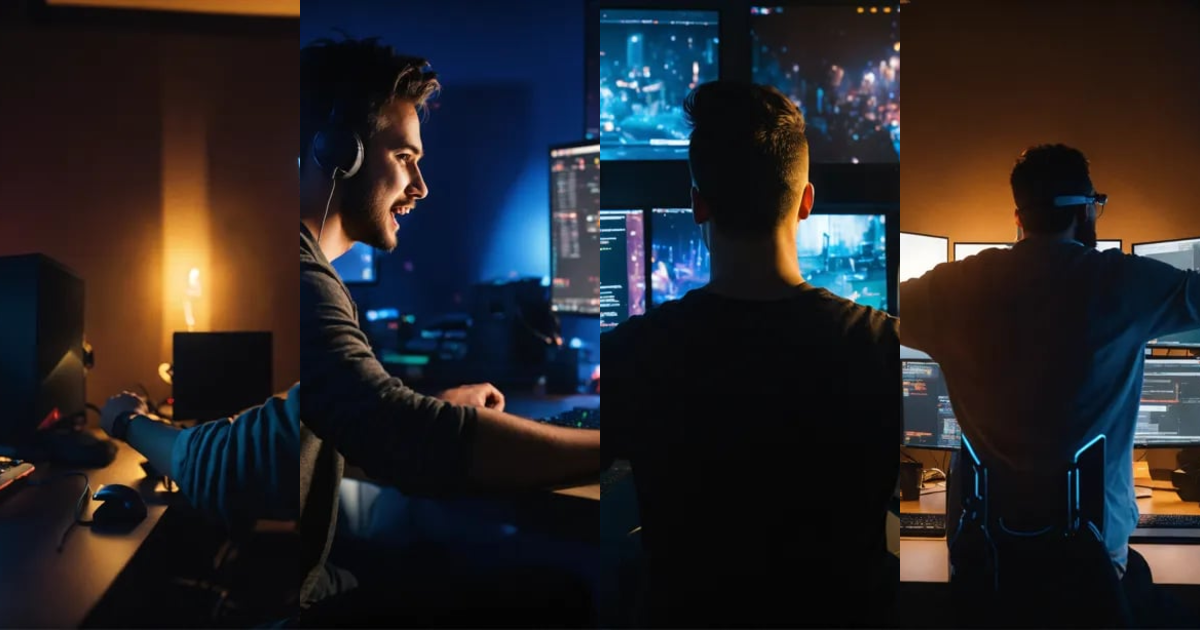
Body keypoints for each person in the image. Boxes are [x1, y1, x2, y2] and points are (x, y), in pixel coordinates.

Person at [297, 36, 606, 625]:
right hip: (309, 602)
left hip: (322, 579)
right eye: (405, 158)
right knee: (554, 597)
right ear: (339, 152)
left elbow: (364, 422)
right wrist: (616, 445)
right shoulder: (304, 279)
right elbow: (415, 444)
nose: (421, 186)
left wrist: (428, 407)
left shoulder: (312, 276)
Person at [601, 81, 900, 628]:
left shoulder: (630, 353)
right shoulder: (889, 349)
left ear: (697, 204)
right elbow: (939, 497)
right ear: (807, 201)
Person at [898, 143, 1200, 626]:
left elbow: (868, 314)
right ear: (1085, 211)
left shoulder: (952, 289)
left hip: (986, 576)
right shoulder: (1122, 284)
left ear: (1019, 217)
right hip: (1094, 575)